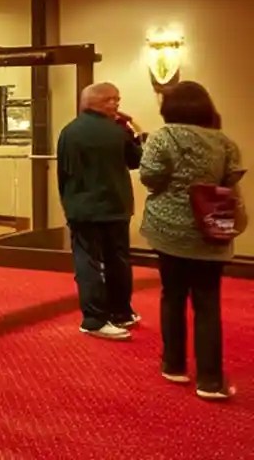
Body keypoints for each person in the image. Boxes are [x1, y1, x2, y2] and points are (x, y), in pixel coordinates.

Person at [138, 81, 244, 400]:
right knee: (208, 303)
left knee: (172, 296)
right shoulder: (224, 142)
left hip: (169, 229)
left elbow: (150, 177)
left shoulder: (163, 136)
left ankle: (174, 364)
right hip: (211, 228)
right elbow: (231, 182)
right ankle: (210, 379)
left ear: (169, 107)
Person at [56, 82, 144, 340]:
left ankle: (97, 317)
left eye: (117, 99)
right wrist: (136, 134)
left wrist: (68, 203)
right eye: (110, 100)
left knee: (89, 260)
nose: (116, 104)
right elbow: (136, 160)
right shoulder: (118, 131)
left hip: (82, 206)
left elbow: (65, 172)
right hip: (115, 205)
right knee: (117, 259)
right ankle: (117, 313)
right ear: (91, 102)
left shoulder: (69, 131)